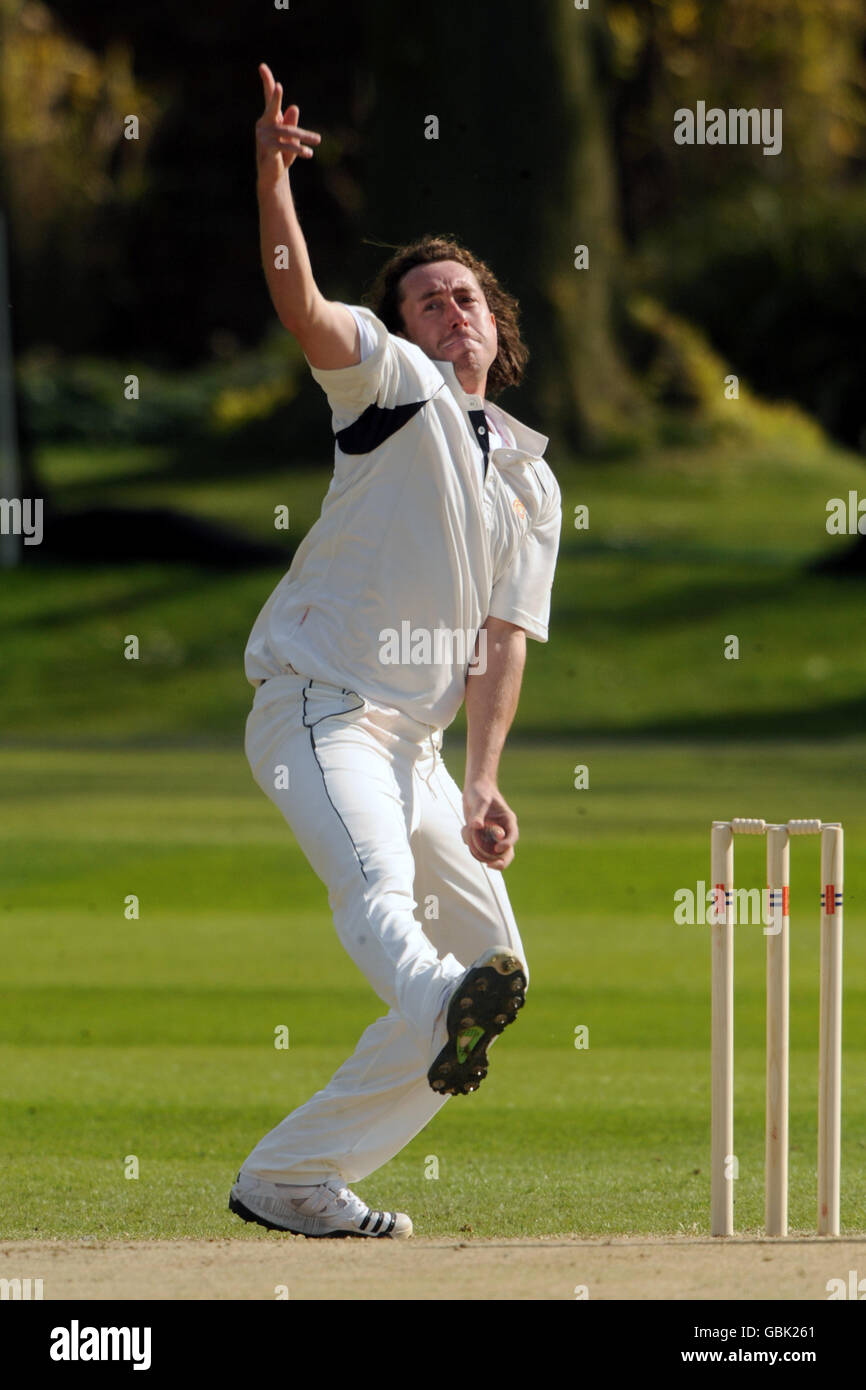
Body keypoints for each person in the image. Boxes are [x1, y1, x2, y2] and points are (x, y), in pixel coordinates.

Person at [228, 64, 562, 1239]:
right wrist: (272, 178)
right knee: (390, 911)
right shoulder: (393, 387)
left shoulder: (528, 477)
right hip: (320, 710)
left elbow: (503, 639)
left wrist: (480, 777)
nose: (445, 311)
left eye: (463, 296)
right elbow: (305, 307)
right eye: (424, 298)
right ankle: (432, 999)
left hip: (420, 748)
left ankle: (293, 1174)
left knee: (497, 961)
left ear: (496, 323)